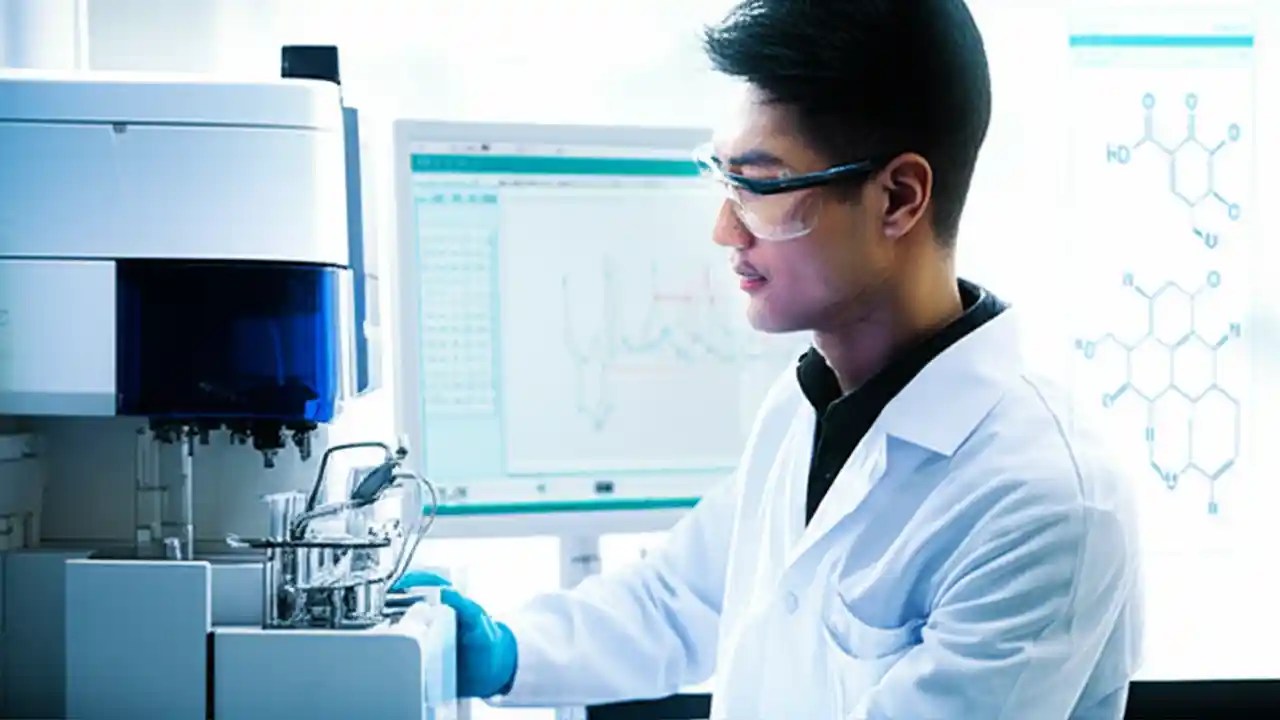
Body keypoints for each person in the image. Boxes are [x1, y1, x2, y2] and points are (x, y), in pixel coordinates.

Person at [397, 0, 1145, 717]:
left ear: (898, 198)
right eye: (724, 179)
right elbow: (682, 599)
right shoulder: (809, 401)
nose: (725, 230)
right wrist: (508, 652)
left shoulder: (1041, 504)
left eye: (760, 186)